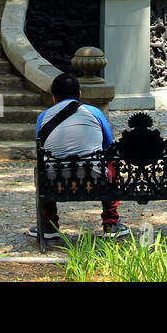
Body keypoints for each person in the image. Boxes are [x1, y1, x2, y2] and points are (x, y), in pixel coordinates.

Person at [28, 72, 131, 241]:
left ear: (54, 98)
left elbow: (41, 149)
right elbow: (108, 146)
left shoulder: (43, 117)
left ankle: (48, 225)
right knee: (111, 162)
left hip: (55, 180)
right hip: (94, 178)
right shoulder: (95, 113)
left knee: (42, 167)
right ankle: (111, 222)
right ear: (80, 94)